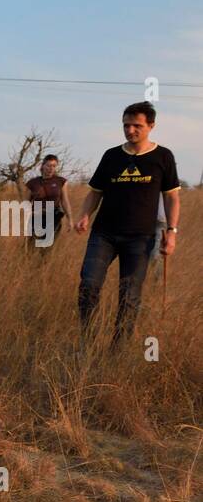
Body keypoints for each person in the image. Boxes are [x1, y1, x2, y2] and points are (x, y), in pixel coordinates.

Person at [74, 101, 181, 344]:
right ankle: (87, 342)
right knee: (88, 286)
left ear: (151, 126)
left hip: (140, 238)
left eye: (137, 125)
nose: (130, 130)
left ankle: (117, 349)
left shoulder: (163, 157)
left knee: (129, 296)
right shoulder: (111, 156)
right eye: (126, 125)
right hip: (104, 234)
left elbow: (172, 196)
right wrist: (84, 215)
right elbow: (95, 191)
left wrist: (172, 232)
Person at [24, 154, 73, 249]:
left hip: (53, 217)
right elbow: (26, 203)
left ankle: (44, 263)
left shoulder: (60, 181)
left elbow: (65, 201)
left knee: (46, 247)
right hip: (36, 217)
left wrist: (70, 219)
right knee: (31, 247)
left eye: (54, 166)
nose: (51, 168)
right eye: (48, 165)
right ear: (42, 166)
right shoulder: (33, 183)